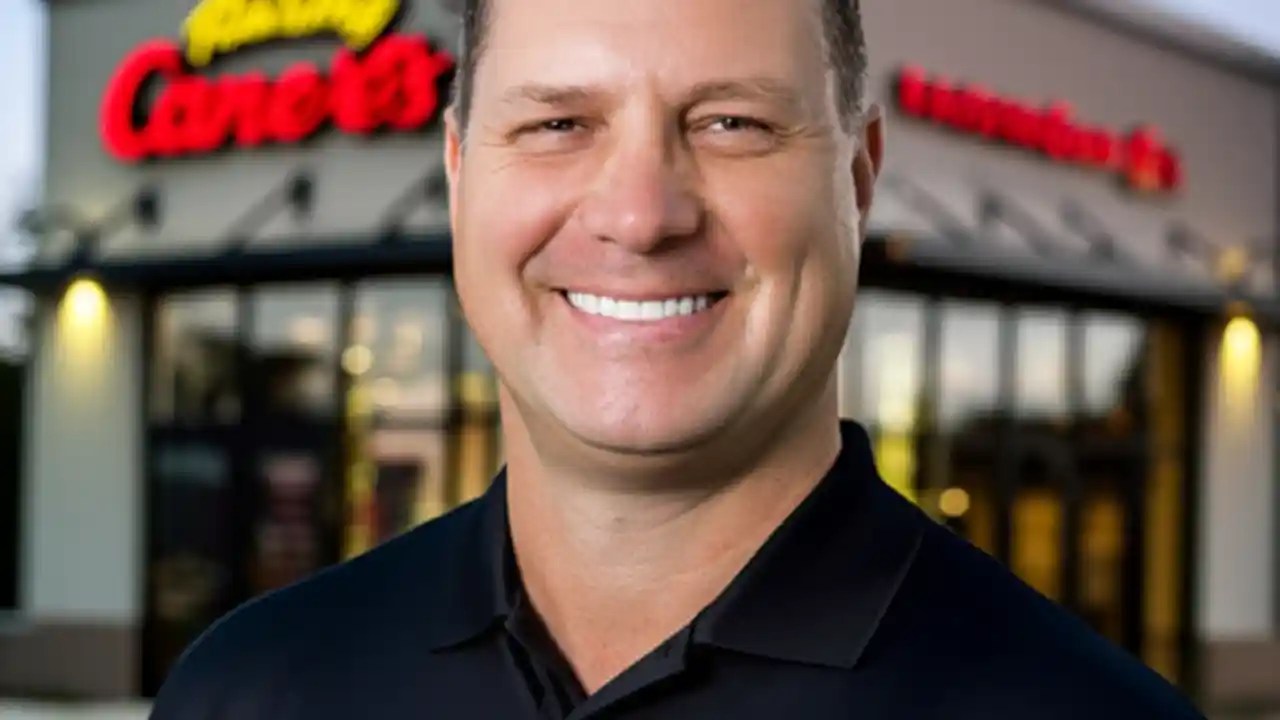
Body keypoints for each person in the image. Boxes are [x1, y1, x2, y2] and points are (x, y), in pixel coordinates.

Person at [151, 0, 1207, 717]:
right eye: (559, 122)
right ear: (460, 173)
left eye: (731, 123)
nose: (640, 214)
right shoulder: (247, 691)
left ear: (858, 177)